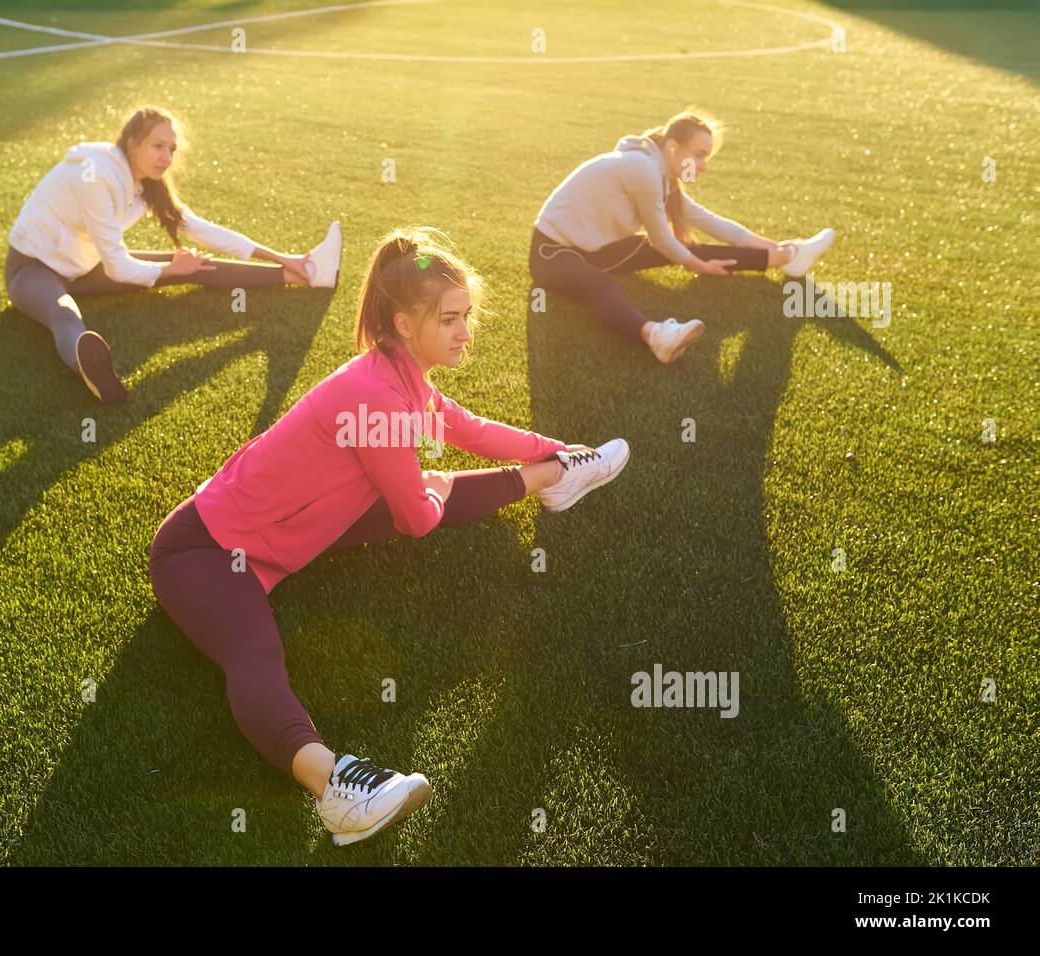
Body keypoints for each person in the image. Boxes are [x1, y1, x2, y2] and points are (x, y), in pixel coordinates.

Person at [148, 227, 630, 846]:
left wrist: (558, 450)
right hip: (205, 552)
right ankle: (335, 789)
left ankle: (558, 477)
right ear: (404, 322)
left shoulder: (401, 376)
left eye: (468, 316)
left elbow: (470, 428)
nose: (466, 331)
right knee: (255, 652)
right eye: (450, 319)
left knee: (424, 482)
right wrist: (431, 488)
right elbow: (417, 520)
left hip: (295, 527)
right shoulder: (377, 398)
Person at [4, 104, 342, 403]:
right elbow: (119, 266)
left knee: (193, 264)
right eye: (158, 146)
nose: (166, 157)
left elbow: (200, 228)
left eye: (171, 149)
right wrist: (171, 271)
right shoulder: (95, 175)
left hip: (87, 265)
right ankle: (88, 368)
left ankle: (307, 274)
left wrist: (284, 257)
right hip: (33, 270)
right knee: (64, 315)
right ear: (132, 143)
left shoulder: (146, 180)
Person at [529, 109, 836, 363]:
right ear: (674, 146)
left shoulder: (663, 177)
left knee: (682, 248)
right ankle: (656, 336)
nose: (702, 166)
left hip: (595, 250)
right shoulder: (642, 169)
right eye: (699, 155)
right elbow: (662, 240)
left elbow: (712, 223)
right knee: (600, 283)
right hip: (552, 254)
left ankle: (788, 259)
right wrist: (699, 267)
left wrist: (778, 249)